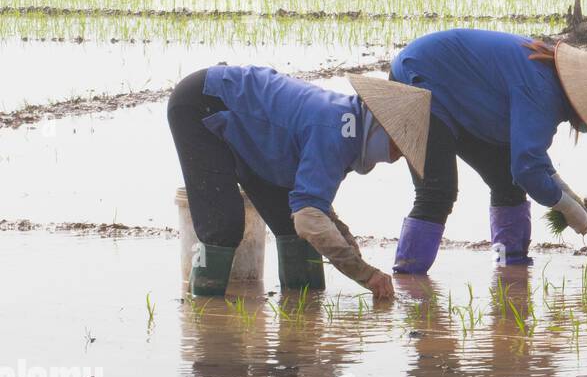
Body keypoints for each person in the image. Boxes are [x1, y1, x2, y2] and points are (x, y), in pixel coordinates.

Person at [167, 65, 431, 299]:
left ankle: (302, 312)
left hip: (259, 138)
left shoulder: (349, 130)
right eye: (399, 147)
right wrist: (365, 274)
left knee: (292, 228)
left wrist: (352, 251)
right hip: (203, 103)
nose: (397, 158)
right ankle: (206, 320)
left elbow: (314, 204)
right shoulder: (335, 133)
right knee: (223, 227)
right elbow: (310, 217)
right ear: (380, 129)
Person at [386, 29, 587, 272]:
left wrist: (569, 194)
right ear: (583, 103)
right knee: (437, 192)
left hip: (453, 96)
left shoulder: (550, 83)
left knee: (507, 183)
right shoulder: (542, 90)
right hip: (416, 80)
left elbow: (529, 156)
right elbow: (527, 169)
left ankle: (509, 267)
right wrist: (567, 208)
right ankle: (409, 282)